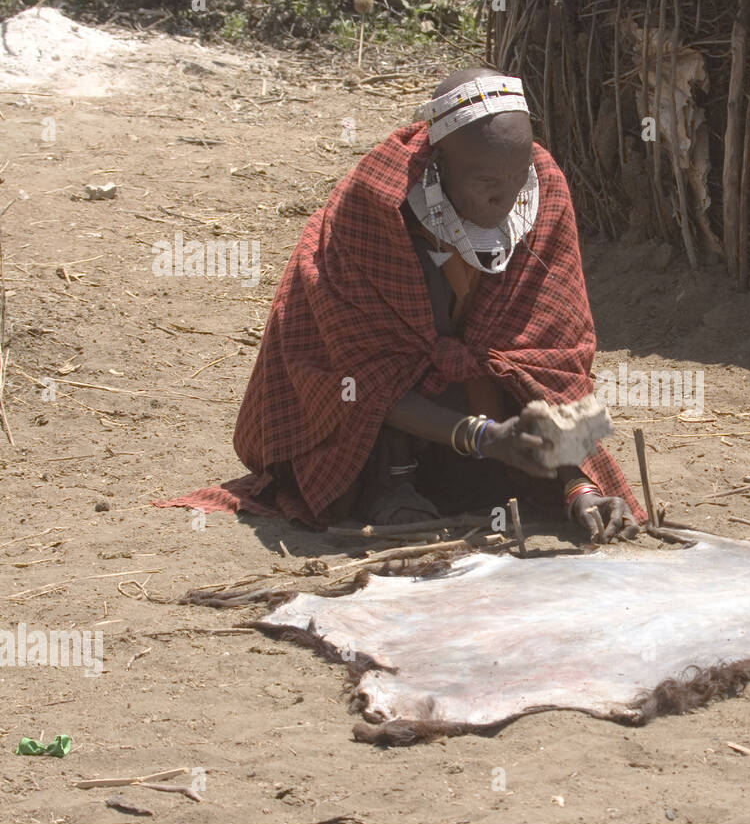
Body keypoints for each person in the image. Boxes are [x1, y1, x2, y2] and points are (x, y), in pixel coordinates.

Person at [159, 67, 643, 543]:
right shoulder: (374, 206)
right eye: (485, 181)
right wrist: (483, 437)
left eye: (520, 174)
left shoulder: (545, 189)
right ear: (439, 163)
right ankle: (392, 483)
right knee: (384, 370)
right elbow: (360, 371)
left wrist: (578, 483)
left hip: (493, 420)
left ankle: (544, 481)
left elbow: (549, 356)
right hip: (379, 425)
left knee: (516, 383)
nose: (508, 194)